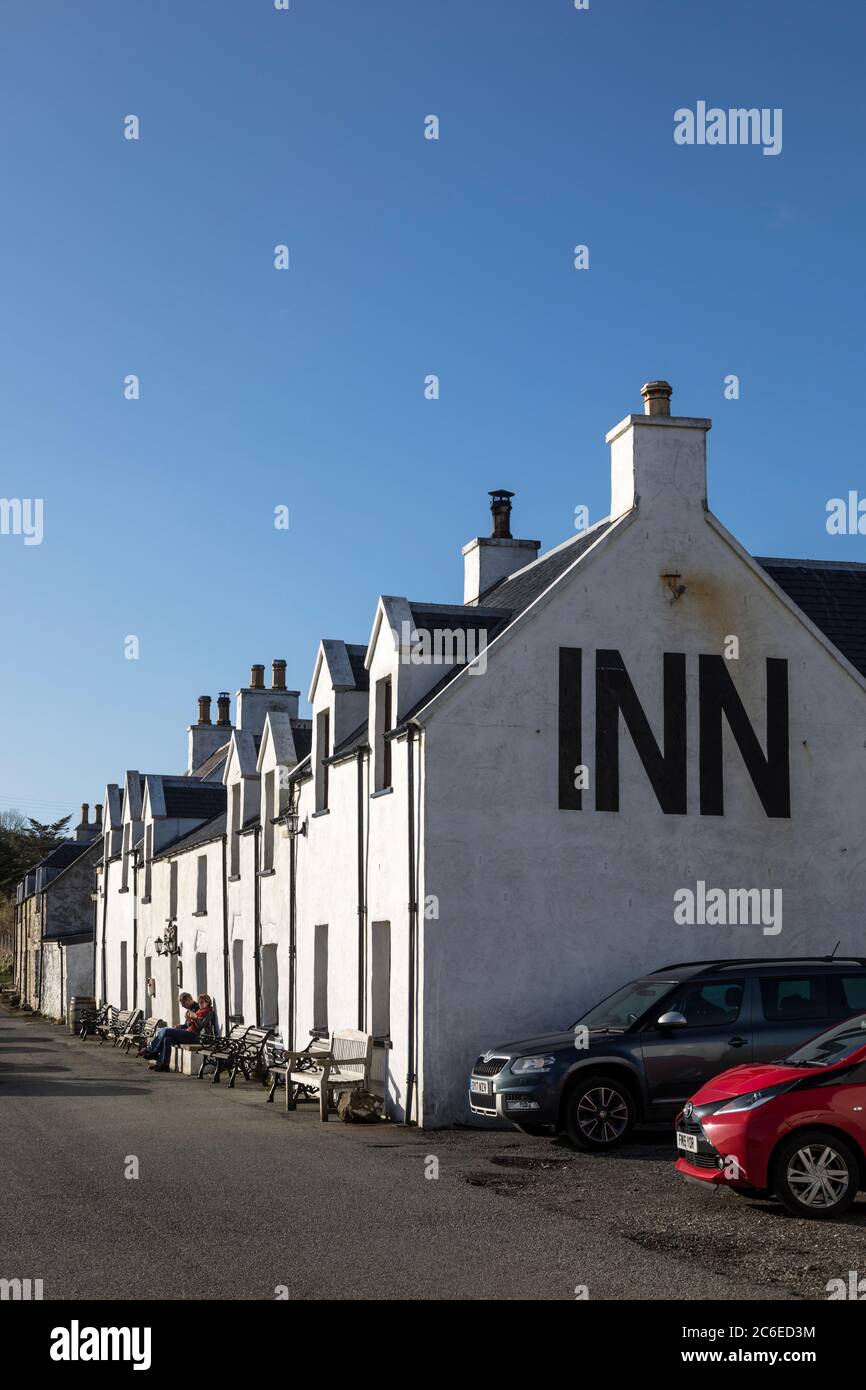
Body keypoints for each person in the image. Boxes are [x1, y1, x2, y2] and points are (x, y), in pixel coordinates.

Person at [144, 993, 213, 1072]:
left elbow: (200, 1027)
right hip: (189, 1033)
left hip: (196, 1037)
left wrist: (195, 1018)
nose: (200, 1004)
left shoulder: (209, 1012)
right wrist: (189, 1020)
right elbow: (191, 1025)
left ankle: (152, 1050)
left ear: (208, 1002)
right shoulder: (200, 1011)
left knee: (165, 1030)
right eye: (199, 1002)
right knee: (167, 1039)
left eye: (202, 1002)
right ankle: (163, 1065)